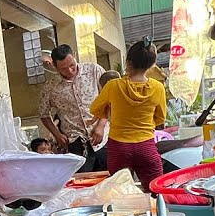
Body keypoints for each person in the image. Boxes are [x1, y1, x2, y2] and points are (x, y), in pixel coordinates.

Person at [90, 39, 167, 192]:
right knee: (155, 194)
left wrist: (109, 112)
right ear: (151, 65)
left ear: (128, 62)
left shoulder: (113, 85)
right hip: (146, 147)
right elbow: (160, 118)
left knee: (121, 195)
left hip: (118, 148)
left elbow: (95, 108)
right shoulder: (158, 88)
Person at [38, 45, 108, 172]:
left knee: (112, 180)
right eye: (63, 69)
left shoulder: (94, 70)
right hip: (76, 143)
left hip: (104, 138)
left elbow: (109, 99)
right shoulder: (51, 87)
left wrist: (101, 125)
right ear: (54, 66)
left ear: (74, 55)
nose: (70, 71)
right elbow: (43, 114)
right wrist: (57, 134)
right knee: (82, 184)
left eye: (72, 65)